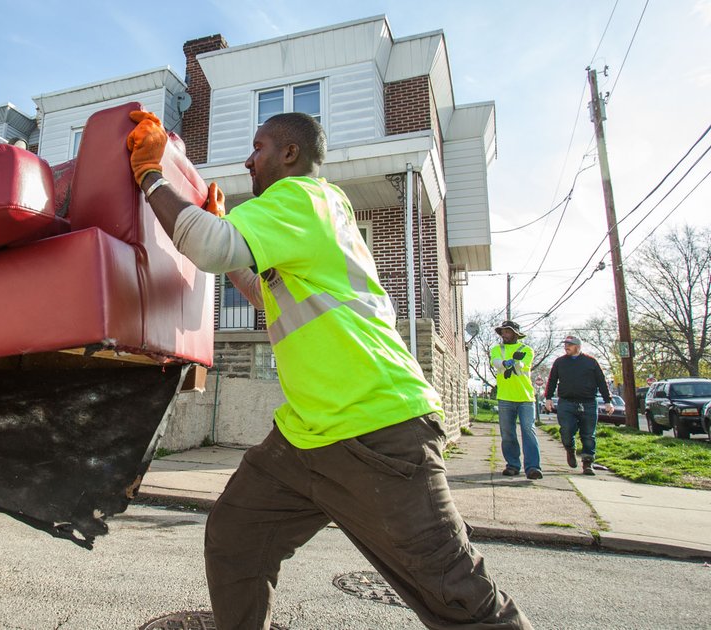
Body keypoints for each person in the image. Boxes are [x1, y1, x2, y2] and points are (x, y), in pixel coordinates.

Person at [126, 109, 531, 629]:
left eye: (258, 148)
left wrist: (150, 174)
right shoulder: (314, 215)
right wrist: (226, 239)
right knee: (236, 536)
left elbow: (206, 245)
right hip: (307, 436)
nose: (249, 160)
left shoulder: (300, 198)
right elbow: (258, 287)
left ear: (289, 154)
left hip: (375, 426)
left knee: (455, 593)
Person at [543, 335, 614, 475]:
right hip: (566, 402)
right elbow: (552, 380)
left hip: (588, 403)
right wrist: (548, 398)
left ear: (578, 346)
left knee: (588, 435)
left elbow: (601, 381)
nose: (566, 347)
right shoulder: (559, 362)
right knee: (566, 430)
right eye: (565, 345)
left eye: (569, 344)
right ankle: (570, 448)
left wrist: (607, 401)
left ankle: (588, 463)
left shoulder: (591, 362)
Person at [489, 321, 542, 479]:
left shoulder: (526, 350)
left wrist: (517, 363)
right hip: (505, 397)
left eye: (508, 332)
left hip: (525, 397)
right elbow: (496, 363)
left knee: (528, 430)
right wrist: (504, 363)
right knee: (507, 433)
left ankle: (532, 467)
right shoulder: (498, 349)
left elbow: (524, 365)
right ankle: (512, 465)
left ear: (516, 334)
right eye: (503, 332)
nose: (504, 335)